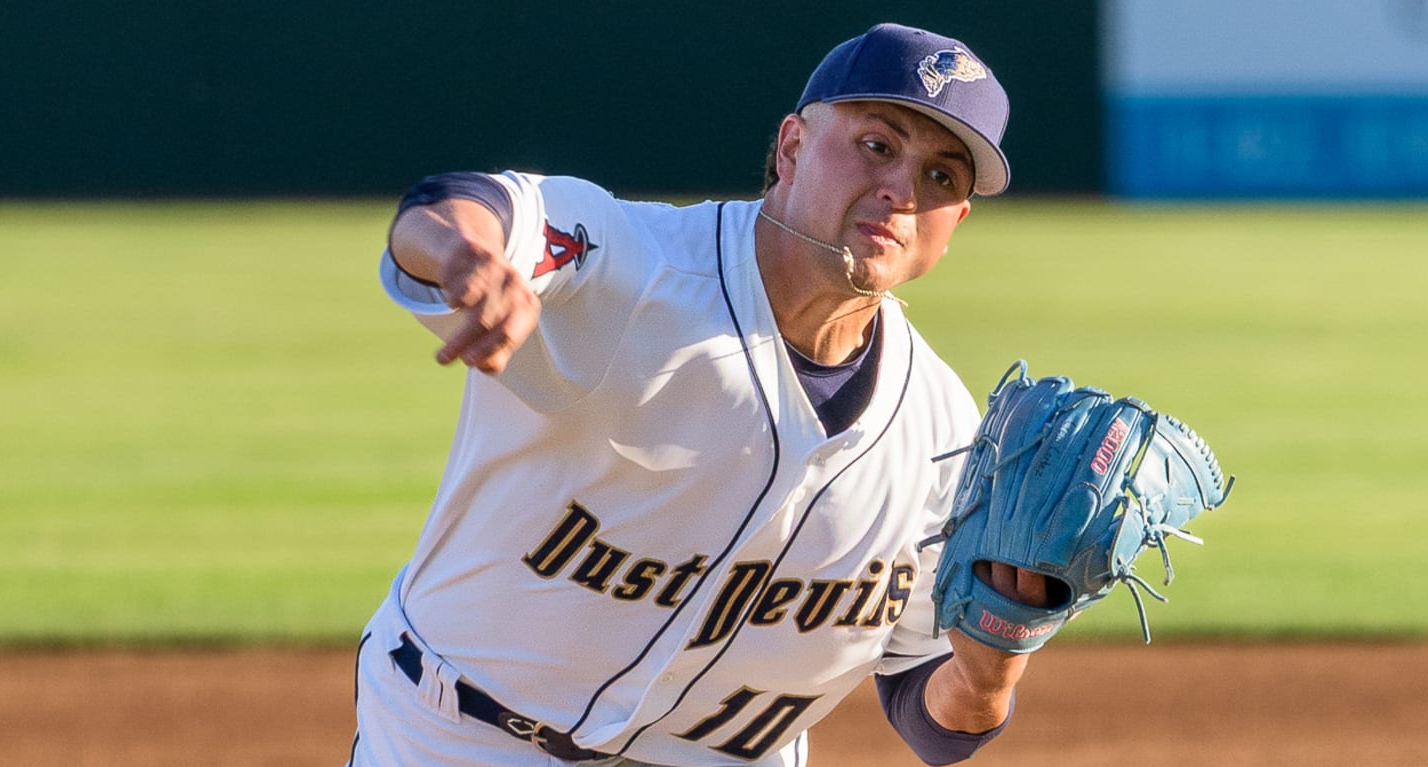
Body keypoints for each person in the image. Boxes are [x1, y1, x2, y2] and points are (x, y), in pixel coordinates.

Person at [350, 22, 1048, 767]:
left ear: (956, 224)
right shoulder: (632, 264)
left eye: (941, 177)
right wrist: (466, 256)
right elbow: (455, 205)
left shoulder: (941, 428)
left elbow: (929, 718)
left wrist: (994, 658)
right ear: (791, 147)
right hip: (459, 739)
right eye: (878, 145)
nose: (902, 191)